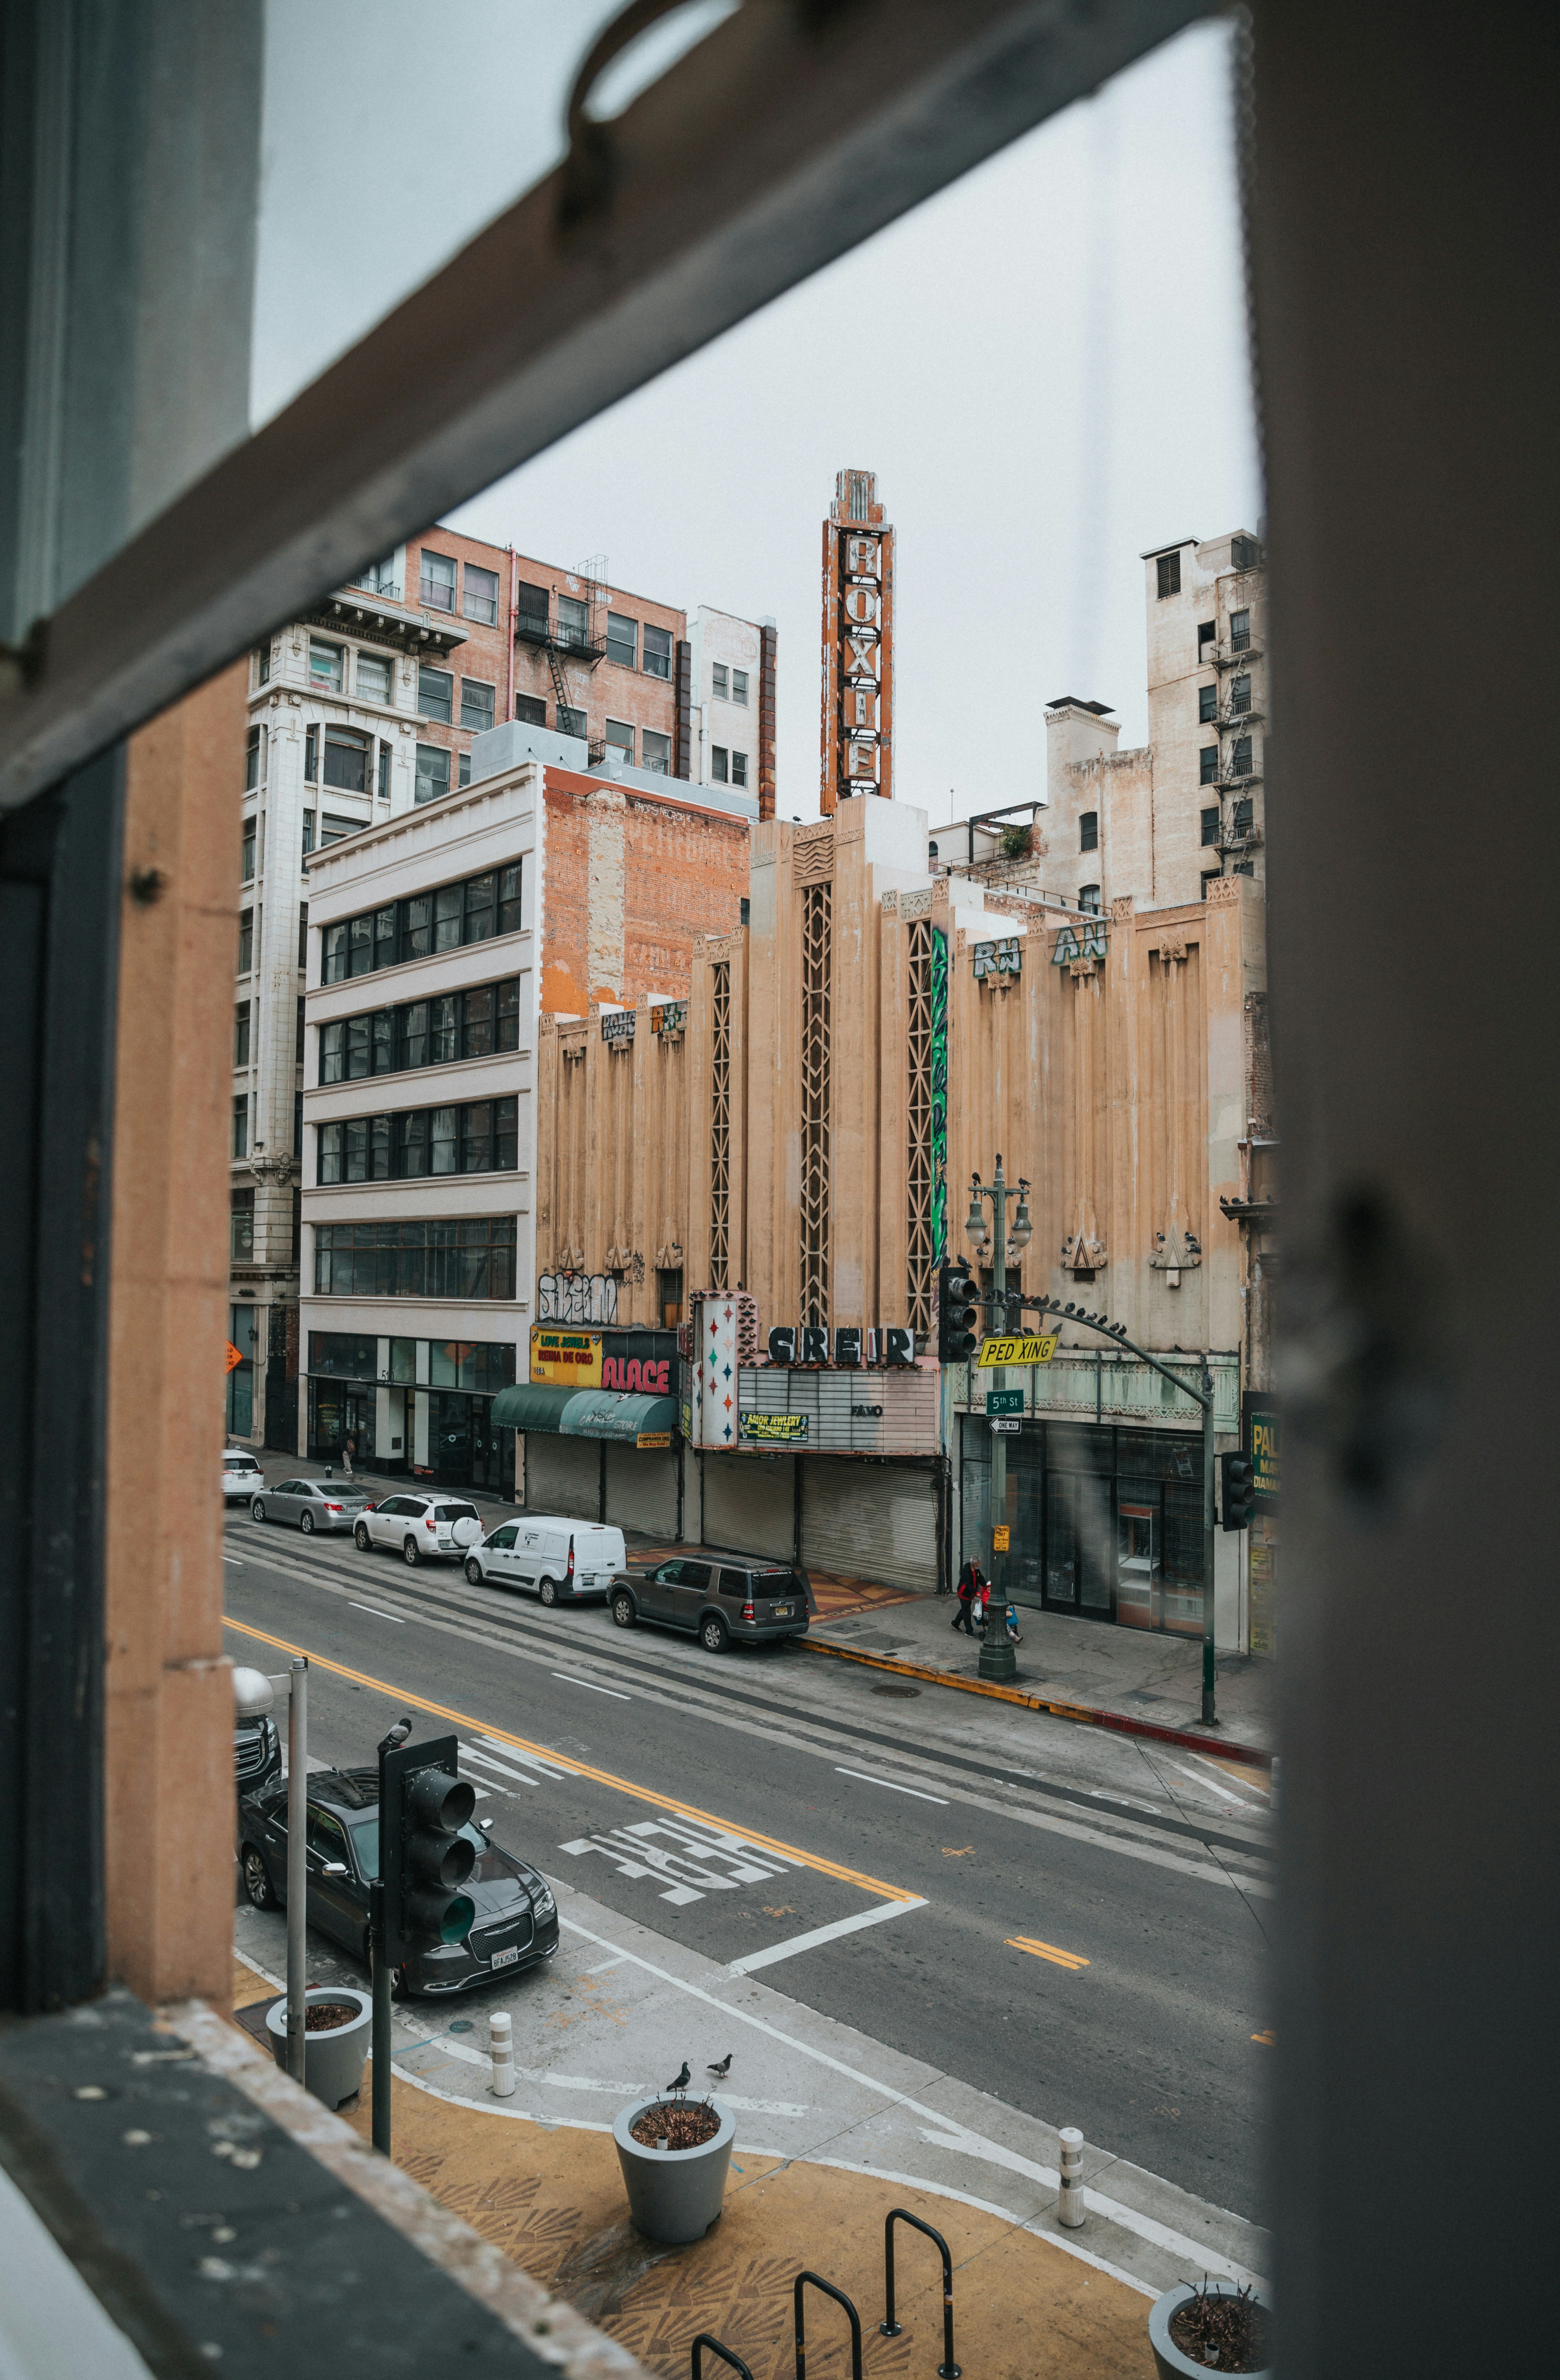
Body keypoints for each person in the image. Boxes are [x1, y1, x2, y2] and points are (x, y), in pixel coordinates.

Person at [952, 1557, 984, 1635]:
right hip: (964, 1593)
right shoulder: (967, 1571)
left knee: (965, 1609)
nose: (979, 1564)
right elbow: (968, 1584)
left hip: (970, 1594)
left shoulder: (977, 1571)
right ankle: (969, 1631)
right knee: (967, 1612)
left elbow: (981, 1579)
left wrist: (987, 1586)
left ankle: (955, 1623)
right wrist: (977, 1593)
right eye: (978, 1563)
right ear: (974, 1564)